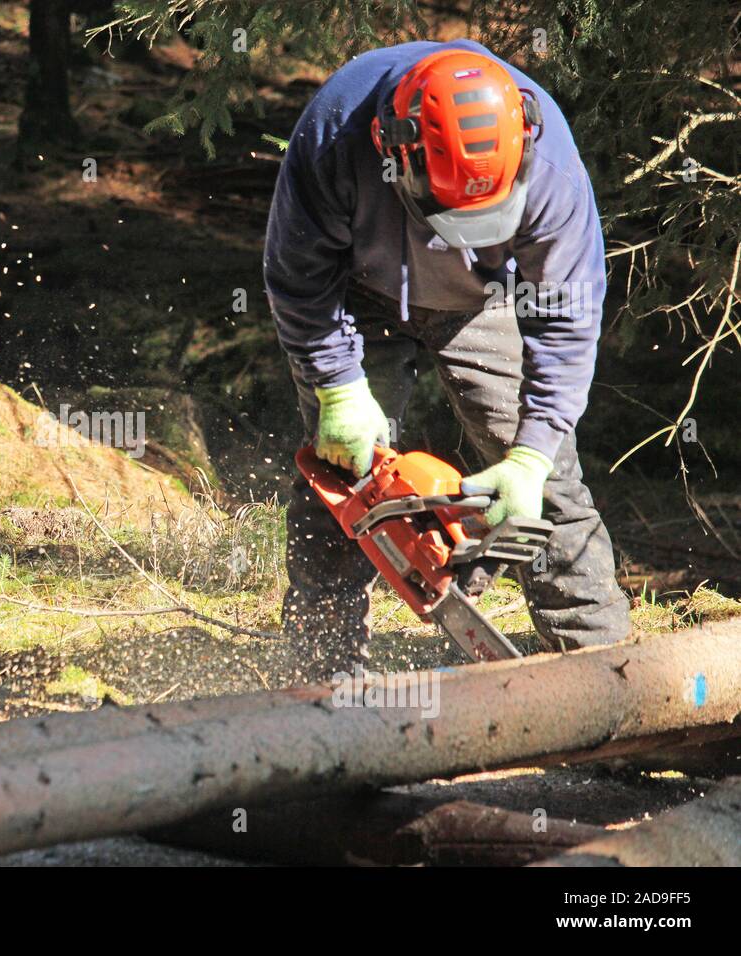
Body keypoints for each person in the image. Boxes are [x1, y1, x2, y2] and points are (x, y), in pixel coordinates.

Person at [264, 39, 629, 678]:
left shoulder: (550, 168)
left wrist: (533, 452)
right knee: (344, 476)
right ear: (391, 146)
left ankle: (603, 672)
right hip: (357, 295)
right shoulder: (333, 135)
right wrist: (337, 384)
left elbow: (567, 320)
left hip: (481, 299)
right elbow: (298, 278)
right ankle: (320, 676)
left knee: (547, 483)